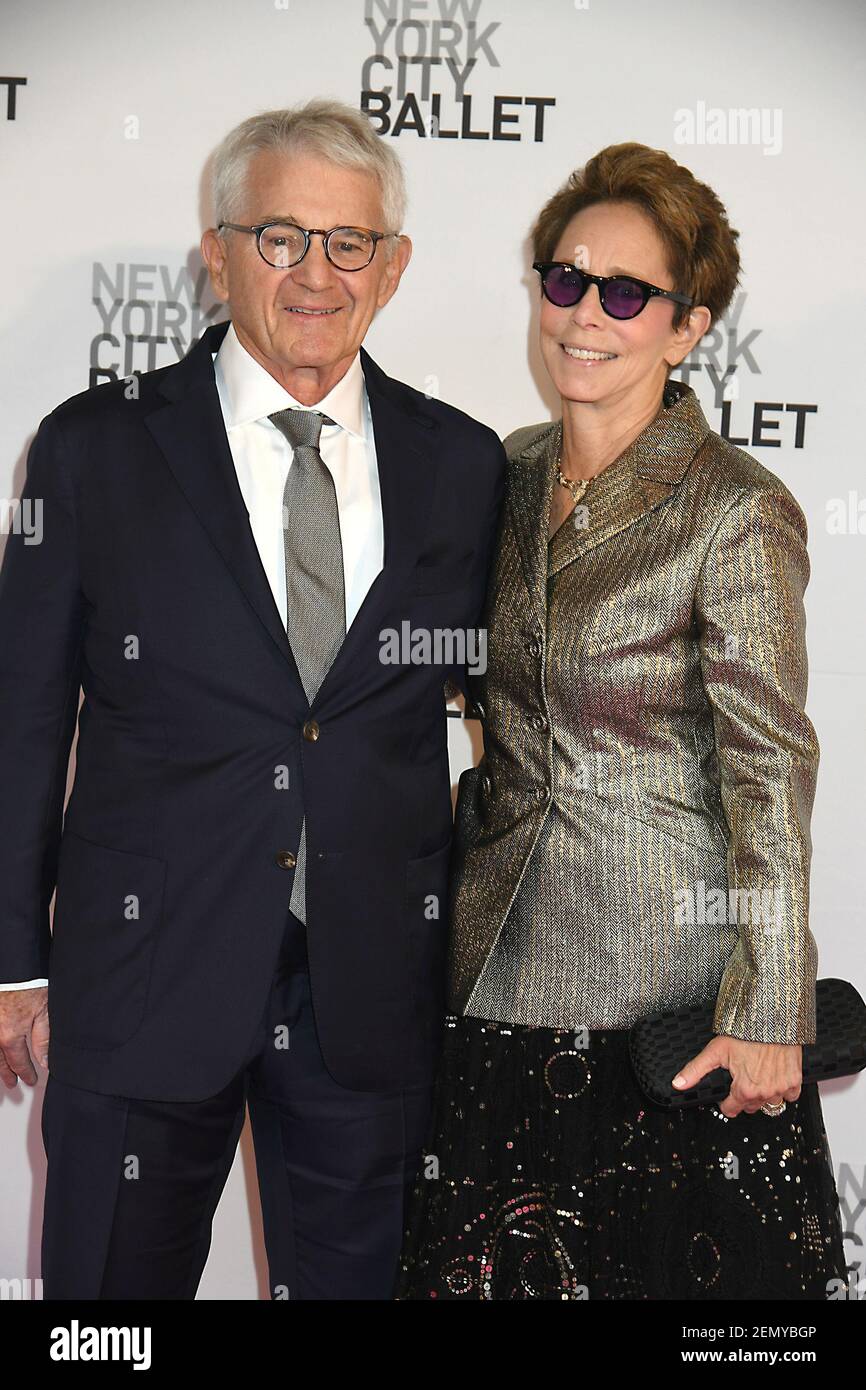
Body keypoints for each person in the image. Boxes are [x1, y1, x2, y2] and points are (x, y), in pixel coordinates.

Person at [0, 99, 504, 1300]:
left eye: (348, 242)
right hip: (141, 976)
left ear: (392, 266)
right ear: (218, 253)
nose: (315, 274)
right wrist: (15, 962)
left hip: (369, 994)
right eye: (279, 236)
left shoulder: (462, 462)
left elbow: (505, 714)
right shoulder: (94, 448)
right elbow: (21, 719)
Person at [396, 142, 847, 1301]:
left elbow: (768, 771)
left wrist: (767, 1006)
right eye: (565, 278)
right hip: (495, 983)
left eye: (625, 292)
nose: (583, 312)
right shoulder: (501, 475)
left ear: (686, 326)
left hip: (664, 1009)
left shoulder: (733, 510)